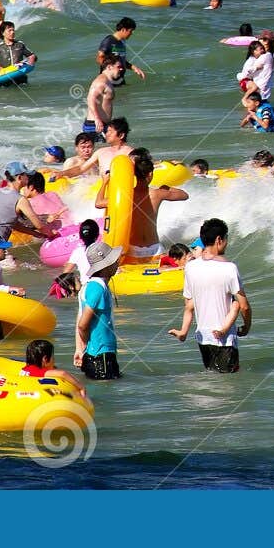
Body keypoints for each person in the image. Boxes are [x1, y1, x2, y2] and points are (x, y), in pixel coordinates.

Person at [168, 218, 251, 373]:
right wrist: (246, 327)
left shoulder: (190, 268)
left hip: (203, 337)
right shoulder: (229, 268)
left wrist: (183, 331)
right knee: (228, 385)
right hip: (224, 340)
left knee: (212, 376)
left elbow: (189, 304)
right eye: (226, 239)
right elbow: (244, 306)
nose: (226, 243)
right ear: (219, 240)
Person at [103, 148, 189, 262]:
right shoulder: (158, 193)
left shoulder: (126, 197)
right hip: (155, 249)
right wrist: (165, 187)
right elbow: (184, 195)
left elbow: (99, 203)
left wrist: (105, 183)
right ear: (150, 174)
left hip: (133, 250)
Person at [75, 239, 123, 380]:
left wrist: (82, 348)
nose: (117, 263)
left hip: (101, 353)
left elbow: (80, 319)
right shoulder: (97, 288)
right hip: (100, 356)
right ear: (105, 266)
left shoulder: (94, 285)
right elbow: (82, 324)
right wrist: (87, 346)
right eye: (114, 260)